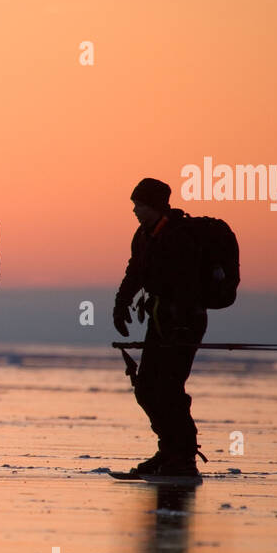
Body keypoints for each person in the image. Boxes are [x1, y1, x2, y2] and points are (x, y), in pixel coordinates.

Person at [113, 177, 207, 479]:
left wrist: (181, 324)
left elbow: (190, 283)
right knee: (146, 388)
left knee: (168, 388)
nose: (135, 211)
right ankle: (169, 451)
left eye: (139, 205)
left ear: (155, 205)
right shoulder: (144, 235)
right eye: (134, 205)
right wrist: (121, 303)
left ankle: (183, 457)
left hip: (185, 320)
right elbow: (135, 271)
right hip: (160, 319)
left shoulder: (180, 235)